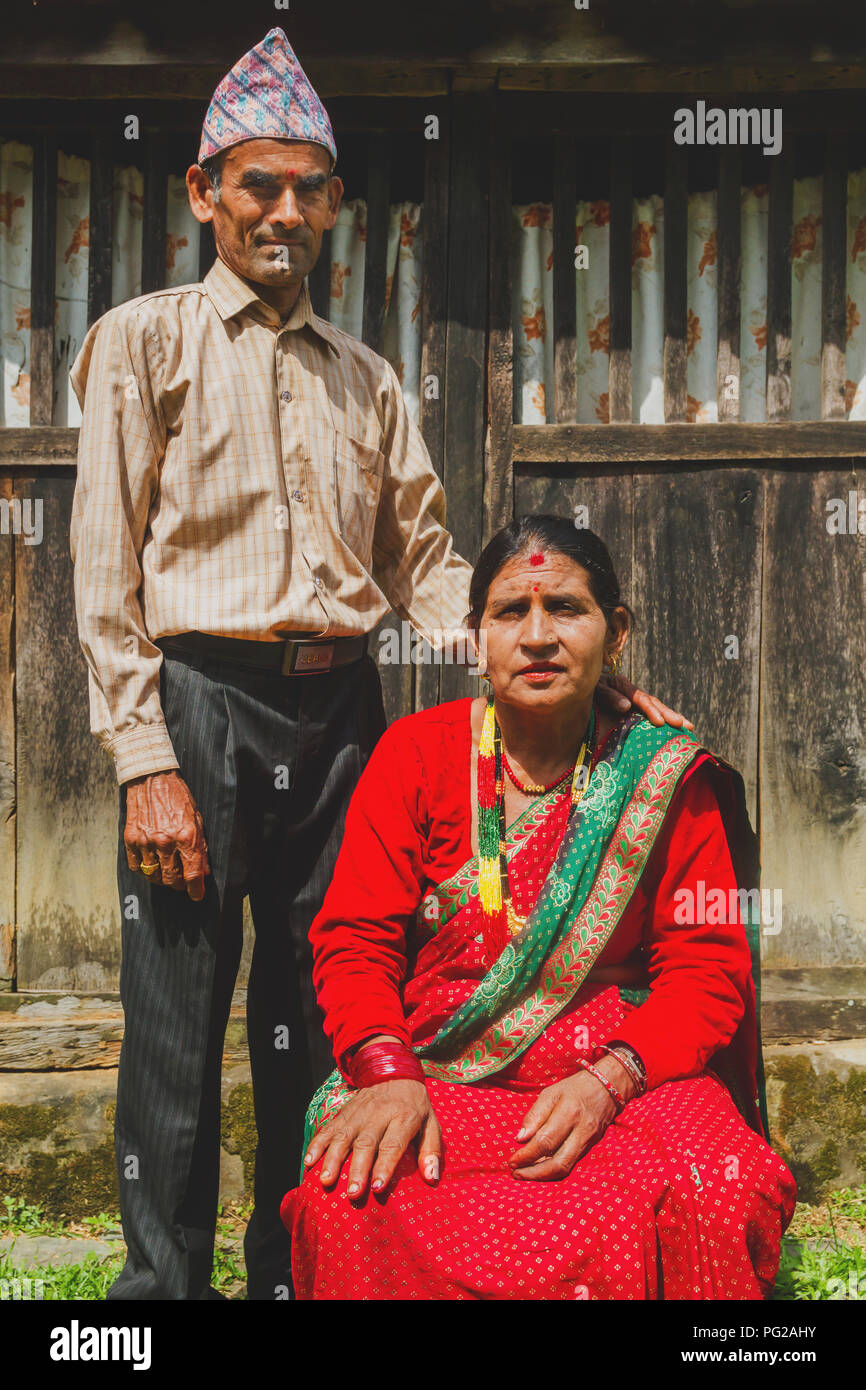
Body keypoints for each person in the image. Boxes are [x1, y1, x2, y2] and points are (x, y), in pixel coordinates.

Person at [68, 30, 682, 1302]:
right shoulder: (144, 343)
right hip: (196, 703)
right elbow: (101, 576)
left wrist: (566, 669)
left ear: (336, 205)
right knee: (177, 1030)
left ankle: (295, 1273)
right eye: (256, 184)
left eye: (307, 188)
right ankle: (156, 1296)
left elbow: (433, 566)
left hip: (343, 711)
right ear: (204, 193)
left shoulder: (368, 379)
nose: (282, 211)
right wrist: (144, 762)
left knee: (331, 1010)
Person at [281, 515, 797, 1300]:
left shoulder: (664, 776)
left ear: (614, 632)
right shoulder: (414, 755)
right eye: (509, 612)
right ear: (476, 637)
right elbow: (355, 939)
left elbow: (707, 970)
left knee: (718, 1186)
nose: (538, 636)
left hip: (628, 1072)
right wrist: (387, 1074)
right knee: (352, 1198)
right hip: (440, 1067)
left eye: (566, 608)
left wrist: (610, 1079)